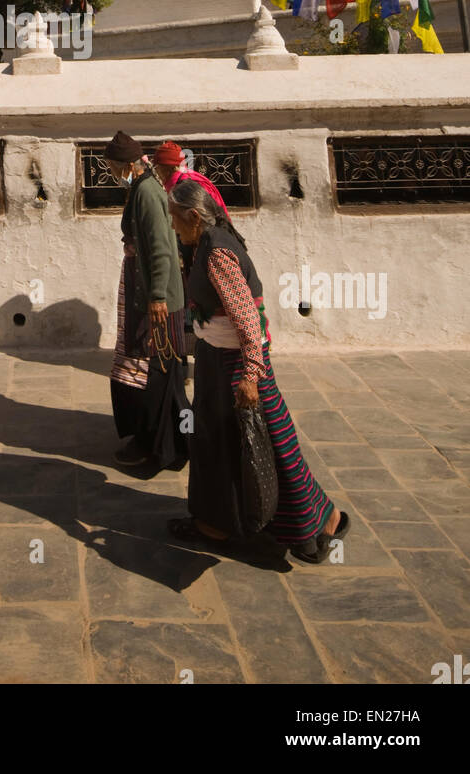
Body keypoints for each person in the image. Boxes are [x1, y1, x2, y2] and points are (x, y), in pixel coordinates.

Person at [164, 179, 350, 564]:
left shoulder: (217, 252)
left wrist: (250, 373)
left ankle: (322, 519)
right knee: (216, 445)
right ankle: (216, 523)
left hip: (239, 366)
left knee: (271, 447)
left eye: (175, 219)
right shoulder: (203, 243)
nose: (172, 226)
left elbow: (248, 320)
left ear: (194, 216)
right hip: (217, 361)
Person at [104, 130, 189, 473]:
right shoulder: (140, 188)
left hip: (157, 297)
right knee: (155, 371)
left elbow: (160, 249)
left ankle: (164, 446)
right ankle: (171, 441)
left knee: (157, 373)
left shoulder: (148, 192)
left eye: (112, 166)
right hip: (147, 291)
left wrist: (156, 298)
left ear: (126, 164)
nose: (112, 171)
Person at [150, 142, 228, 389]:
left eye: (159, 167)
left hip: (197, 257)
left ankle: (188, 368)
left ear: (165, 167)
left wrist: (187, 257)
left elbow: (196, 225)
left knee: (190, 313)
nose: (158, 172)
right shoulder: (189, 181)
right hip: (196, 256)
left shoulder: (184, 188)